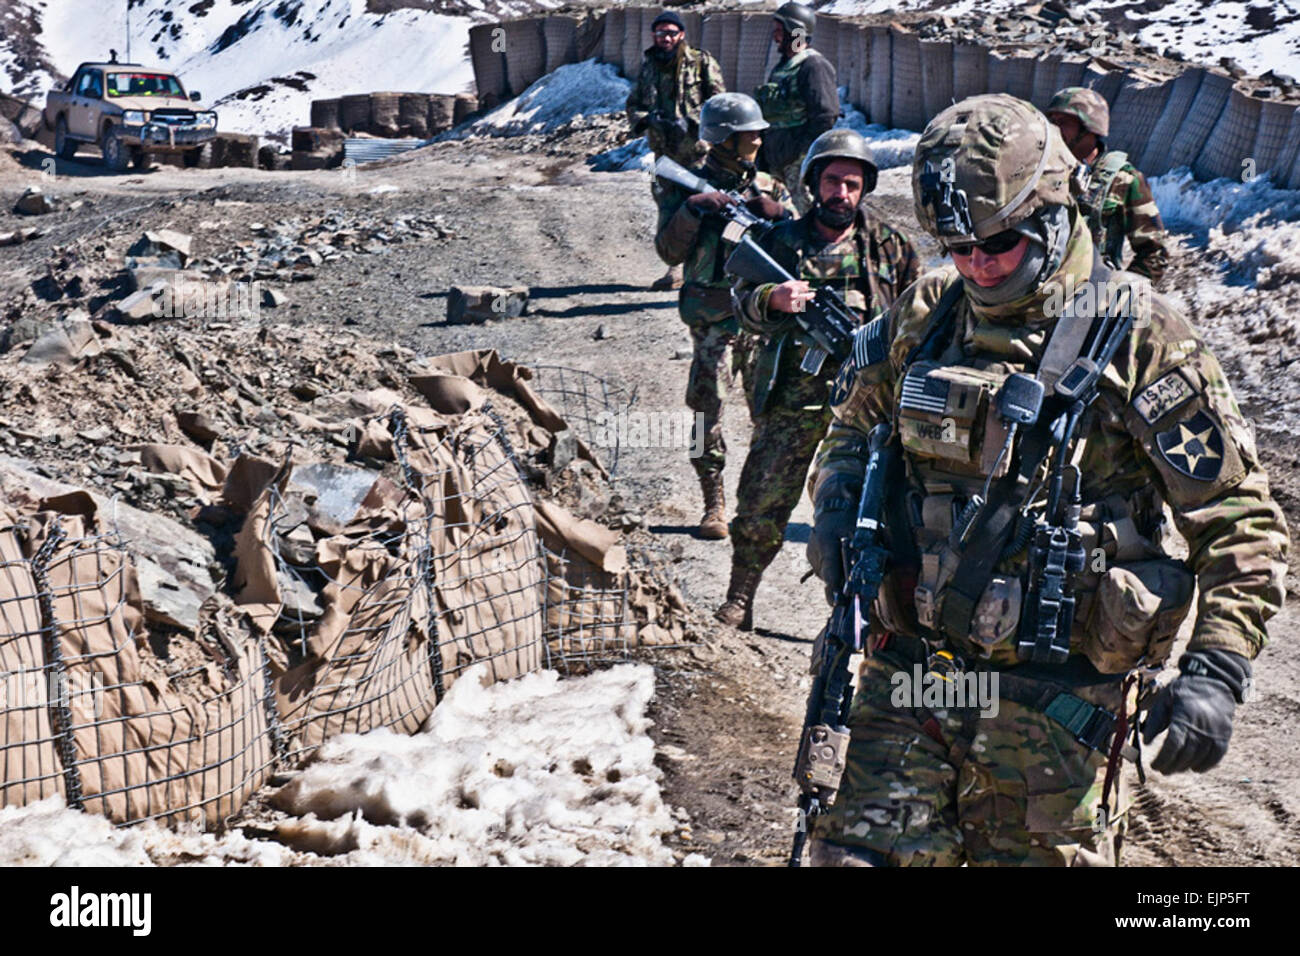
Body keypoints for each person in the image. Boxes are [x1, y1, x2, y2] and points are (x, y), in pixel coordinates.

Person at [803, 94, 1288, 866]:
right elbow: (855, 427)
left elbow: (1239, 518)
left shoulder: (1137, 334)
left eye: (999, 243)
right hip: (910, 681)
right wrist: (834, 508)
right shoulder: (929, 312)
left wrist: (1218, 667)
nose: (977, 265)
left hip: (1056, 714)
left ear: (1057, 212)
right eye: (957, 247)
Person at [715, 128, 919, 628]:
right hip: (795, 398)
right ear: (813, 184)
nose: (841, 194)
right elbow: (741, 304)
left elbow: (921, 316)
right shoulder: (781, 242)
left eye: (852, 184)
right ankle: (741, 596)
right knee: (764, 498)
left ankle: (860, 616)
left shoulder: (891, 246)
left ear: (865, 188)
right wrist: (773, 300)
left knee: (869, 510)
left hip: (870, 403)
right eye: (832, 181)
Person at [655, 94, 794, 540]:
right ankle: (711, 502)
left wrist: (782, 218)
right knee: (704, 413)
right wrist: (693, 211)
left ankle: (756, 504)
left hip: (763, 318)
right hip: (713, 317)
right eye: (749, 132)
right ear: (724, 138)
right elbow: (668, 251)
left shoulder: (771, 186)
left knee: (769, 414)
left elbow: (800, 255)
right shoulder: (687, 186)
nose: (758, 138)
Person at [627, 10, 725, 291]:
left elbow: (718, 102)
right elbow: (633, 104)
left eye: (671, 33)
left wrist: (691, 121)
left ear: (681, 34)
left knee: (703, 211)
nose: (666, 38)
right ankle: (674, 270)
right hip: (663, 157)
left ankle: (706, 271)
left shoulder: (700, 62)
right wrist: (647, 119)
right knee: (667, 210)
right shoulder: (648, 66)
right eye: (660, 33)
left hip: (697, 155)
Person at [1047, 86, 1172, 283]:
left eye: (1063, 122)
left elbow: (1154, 253)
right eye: (1051, 121)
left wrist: (1116, 296)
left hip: (1088, 296)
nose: (1054, 129)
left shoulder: (1124, 179)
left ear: (1089, 126)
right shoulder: (1043, 170)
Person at [753, 2, 839, 215]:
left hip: (797, 165)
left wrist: (802, 152)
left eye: (780, 31)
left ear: (796, 31)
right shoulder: (782, 68)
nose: (775, 37)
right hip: (777, 163)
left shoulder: (813, 66)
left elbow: (825, 115)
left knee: (807, 218)